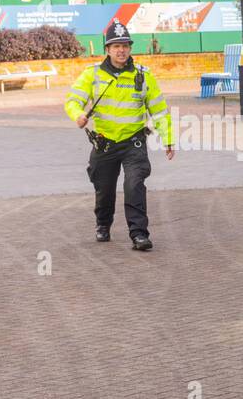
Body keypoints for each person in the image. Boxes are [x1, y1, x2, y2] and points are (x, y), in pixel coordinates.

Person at [64, 19, 174, 251]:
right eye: (116, 46)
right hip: (105, 143)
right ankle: (103, 224)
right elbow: (73, 100)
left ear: (130, 48)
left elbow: (159, 110)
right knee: (104, 189)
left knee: (134, 184)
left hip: (133, 142)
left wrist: (168, 138)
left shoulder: (143, 76)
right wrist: (78, 115)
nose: (121, 50)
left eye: (125, 45)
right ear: (107, 49)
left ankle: (139, 234)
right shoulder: (92, 74)